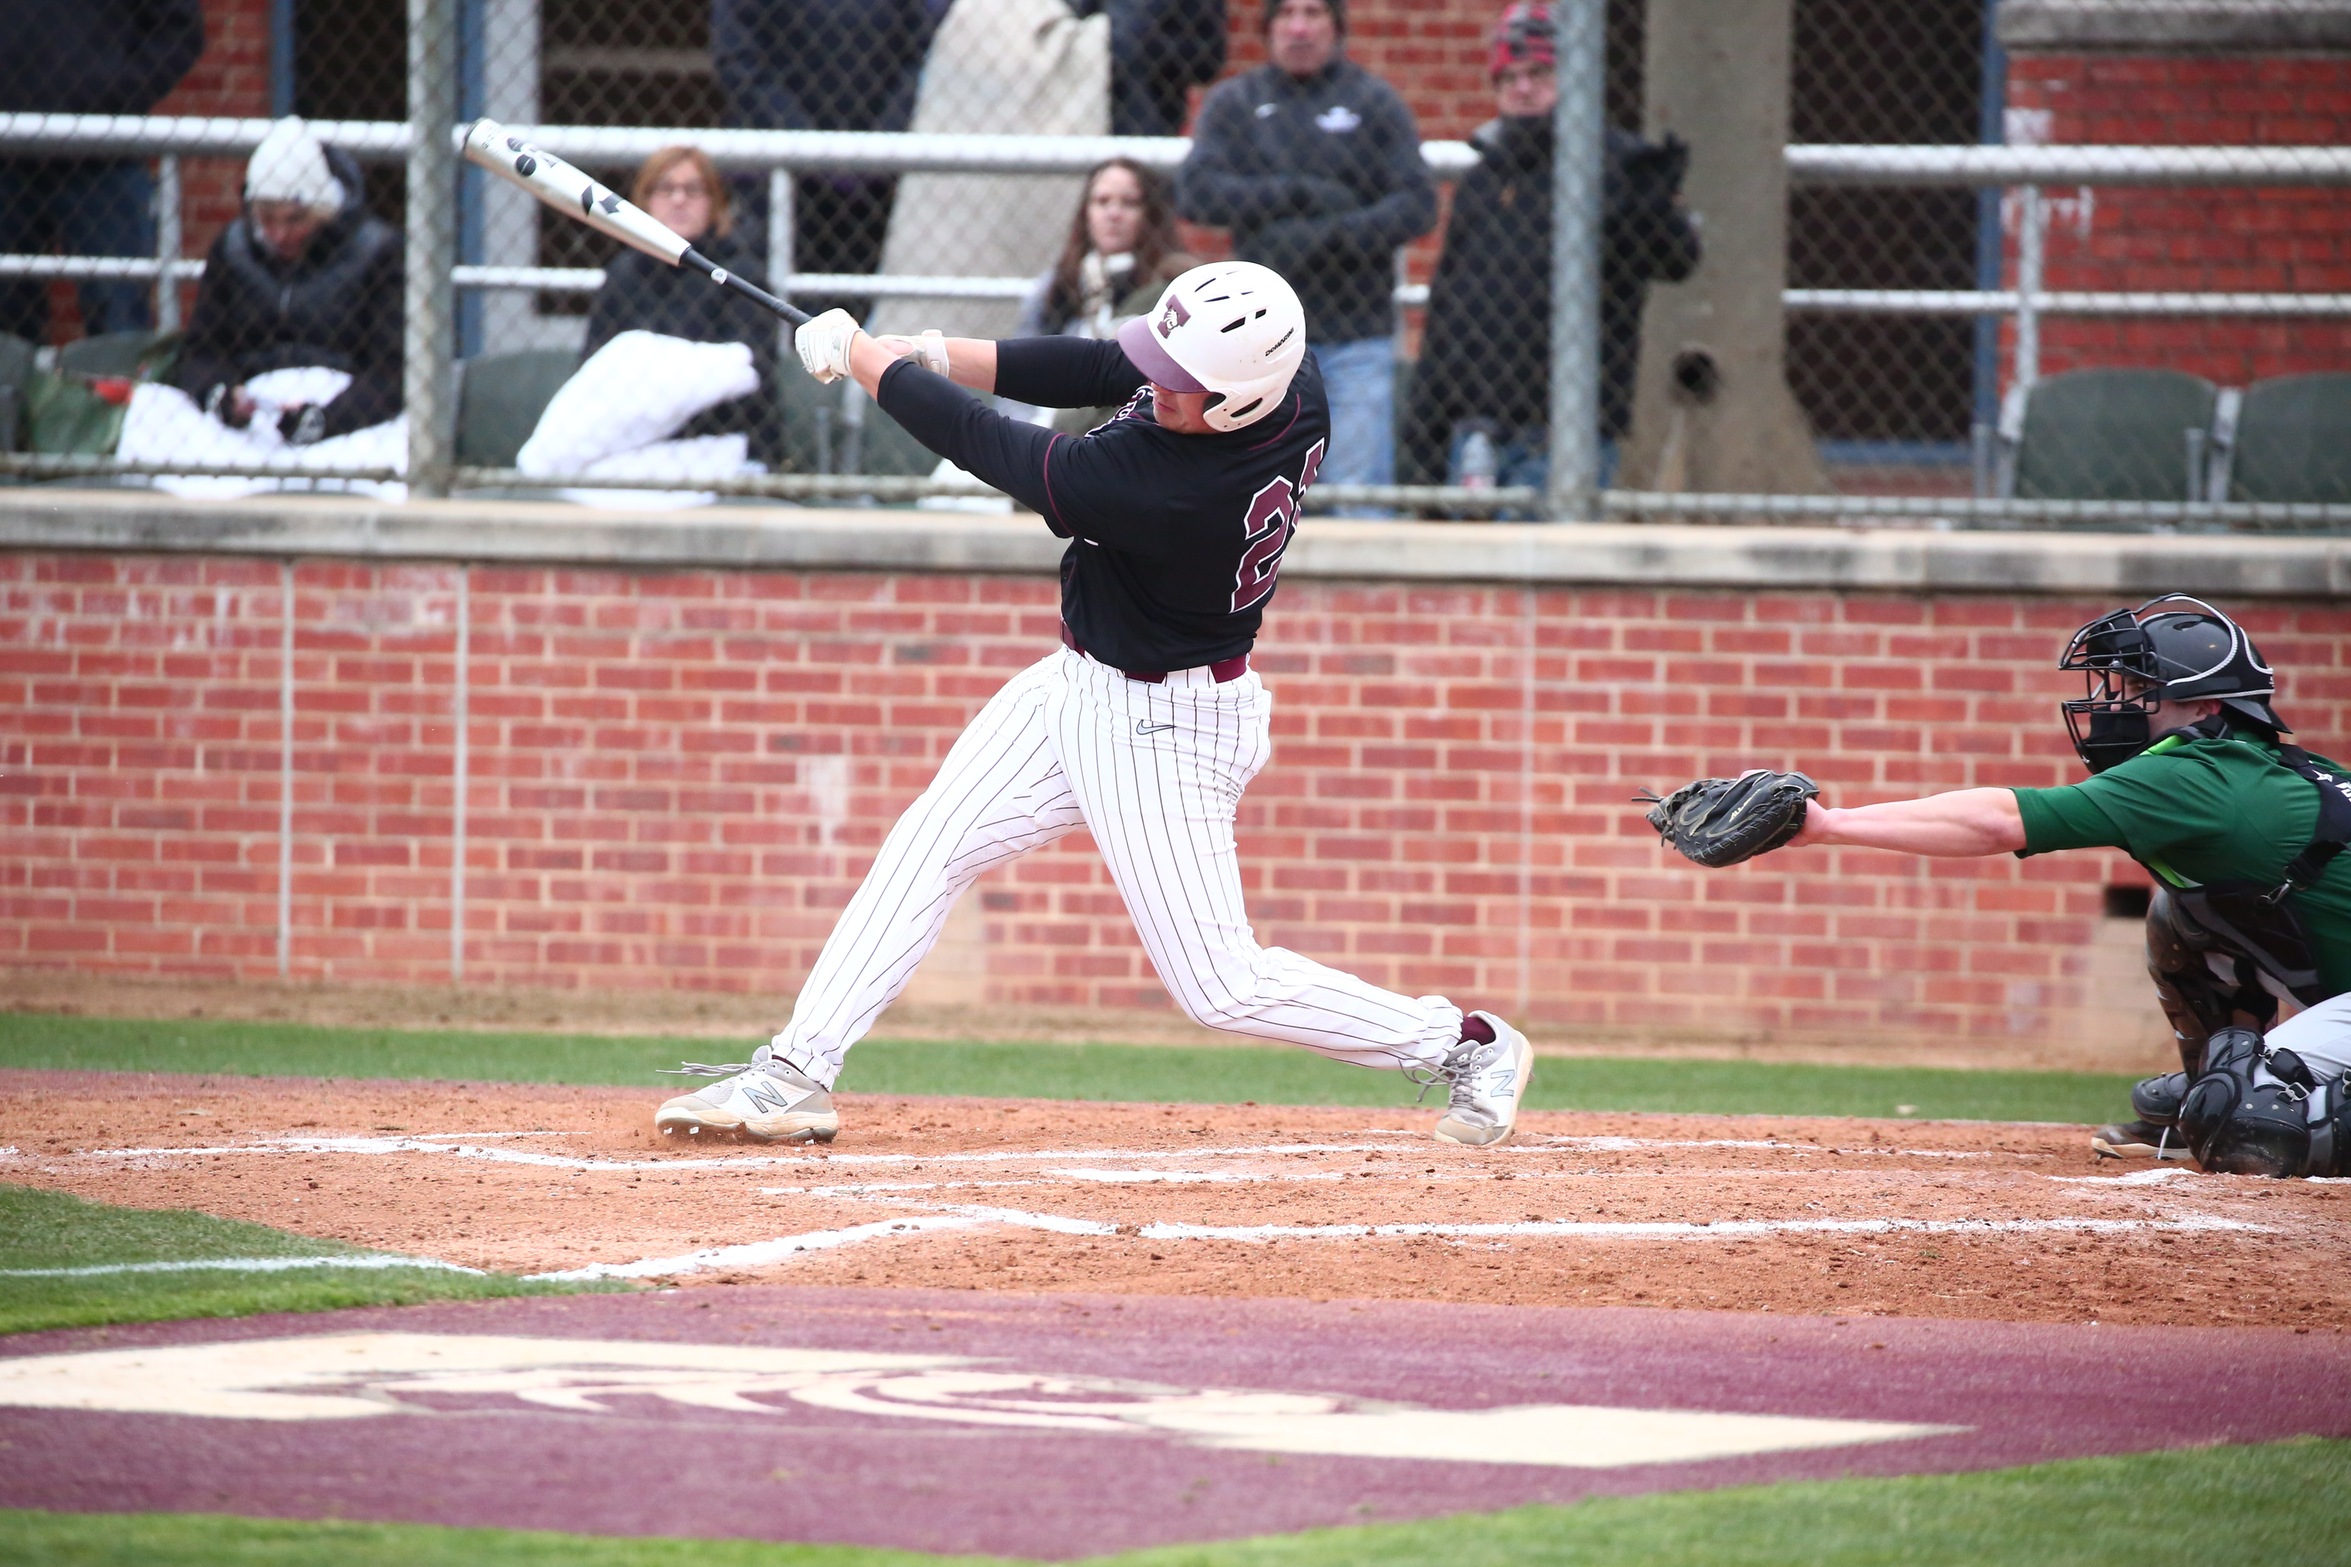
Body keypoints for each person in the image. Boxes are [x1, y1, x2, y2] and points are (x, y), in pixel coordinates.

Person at [654, 262, 1535, 1151]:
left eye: (1182, 384)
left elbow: (1004, 452)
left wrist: (873, 366)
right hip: (1077, 683)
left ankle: (1465, 1047)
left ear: (1233, 402)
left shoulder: (1171, 485)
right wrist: (923, 351)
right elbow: (1095, 366)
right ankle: (795, 1071)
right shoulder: (1282, 381)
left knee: (1220, 987)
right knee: (928, 844)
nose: (1157, 386)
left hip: (1163, 729)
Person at [1771, 596, 2349, 1179]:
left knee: (2248, 1112)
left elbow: (2000, 821)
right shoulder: (2270, 768)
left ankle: (2232, 1096)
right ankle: (2211, 1089)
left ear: (2204, 705)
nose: (2117, 706)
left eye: (2138, 692)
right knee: (2181, 914)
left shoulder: (2200, 775)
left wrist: (1829, 824)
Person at [1404, 2, 1699, 502]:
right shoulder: (1483, 183)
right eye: (1509, 77)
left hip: (1566, 433)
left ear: (1570, 76)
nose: (1523, 88)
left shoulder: (1612, 168)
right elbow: (1447, 314)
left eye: (1539, 73)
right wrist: (1424, 437)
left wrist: (1652, 204)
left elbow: (1677, 260)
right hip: (1475, 434)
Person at [1175, 0, 1435, 494]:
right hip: (1255, 342)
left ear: (1336, 27)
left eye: (1314, 13)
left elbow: (1417, 203)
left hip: (1356, 338)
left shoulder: (1373, 101)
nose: (1299, 28)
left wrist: (1335, 237)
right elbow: (1196, 192)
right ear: (1268, 28)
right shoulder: (1237, 102)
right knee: (1253, 489)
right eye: (1287, 14)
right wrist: (1289, 196)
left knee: (1355, 496)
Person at [171, 118, 401, 446]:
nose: (279, 234)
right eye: (266, 218)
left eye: (296, 220)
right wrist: (219, 394)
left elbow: (391, 372)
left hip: (345, 411)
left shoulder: (377, 251)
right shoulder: (233, 248)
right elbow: (203, 350)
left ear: (323, 211)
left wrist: (328, 419)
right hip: (253, 413)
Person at [0, 0, 205, 343]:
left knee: (119, 325)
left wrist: (115, 94)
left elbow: (181, 28)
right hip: (6, 154)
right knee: (5, 334)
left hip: (104, 160)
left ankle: (121, 396)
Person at [711, 0, 945, 285]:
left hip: (879, 182)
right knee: (771, 289)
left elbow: (926, 51)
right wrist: (808, 146)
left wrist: (880, 144)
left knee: (871, 299)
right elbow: (738, 60)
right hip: (778, 173)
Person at [581, 146, 780, 464]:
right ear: (644, 201)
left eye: (693, 190)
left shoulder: (740, 275)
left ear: (715, 203)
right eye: (665, 188)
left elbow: (752, 372)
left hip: (721, 444)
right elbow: (595, 370)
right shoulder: (624, 274)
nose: (678, 199)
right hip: (630, 445)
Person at [1012, 158, 1196, 432]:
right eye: (1102, 201)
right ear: (1086, 212)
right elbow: (1017, 368)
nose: (1114, 213)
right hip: (1041, 420)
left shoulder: (1169, 286)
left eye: (1129, 203)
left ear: (1151, 213)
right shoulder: (1058, 284)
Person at [1068, 0, 1227, 138]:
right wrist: (1106, 39)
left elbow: (1209, 60)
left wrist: (1143, 45)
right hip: (1079, 115)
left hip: (1151, 121)